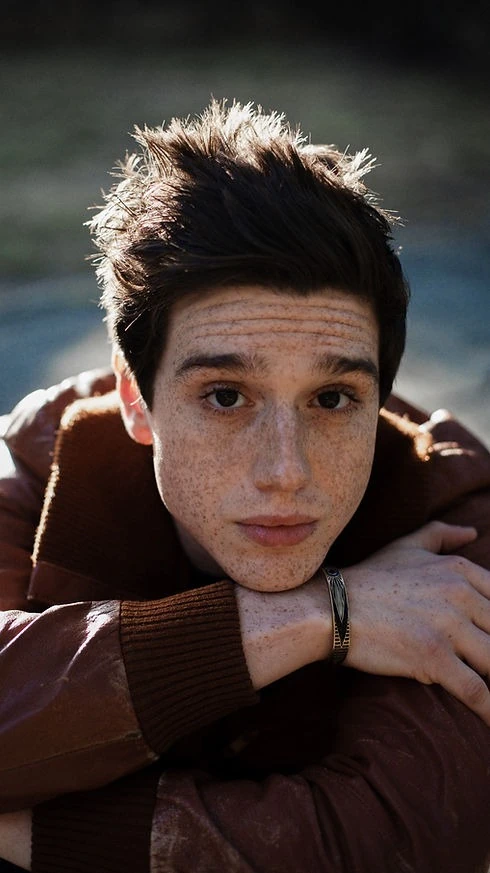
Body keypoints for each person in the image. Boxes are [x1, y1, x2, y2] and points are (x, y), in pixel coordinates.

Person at [0, 98, 489, 872]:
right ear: (136, 399)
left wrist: (39, 834)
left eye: (333, 399)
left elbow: (394, 839)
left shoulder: (454, 513)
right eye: (226, 396)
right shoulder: (33, 463)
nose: (286, 470)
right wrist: (321, 613)